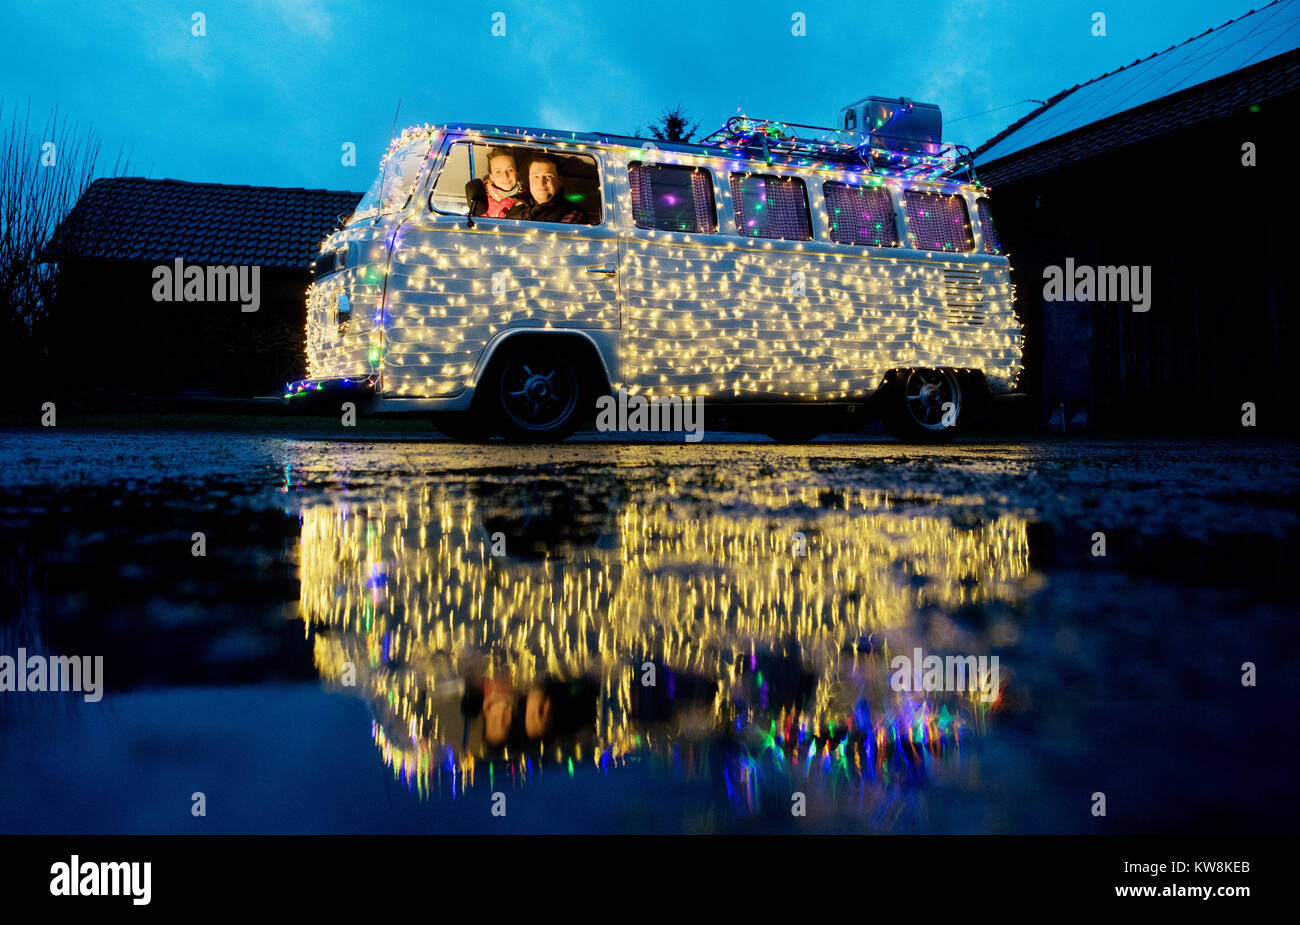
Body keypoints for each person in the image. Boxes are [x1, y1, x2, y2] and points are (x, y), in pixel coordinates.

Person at [523, 156, 589, 224]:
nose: (541, 183)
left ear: (559, 180)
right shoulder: (518, 207)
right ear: (529, 179)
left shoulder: (573, 214)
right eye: (536, 176)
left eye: (548, 176)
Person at [465, 149, 529, 219]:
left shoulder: (529, 197)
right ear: (491, 177)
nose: (505, 176)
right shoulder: (479, 200)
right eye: (498, 171)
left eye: (510, 170)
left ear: (516, 173)